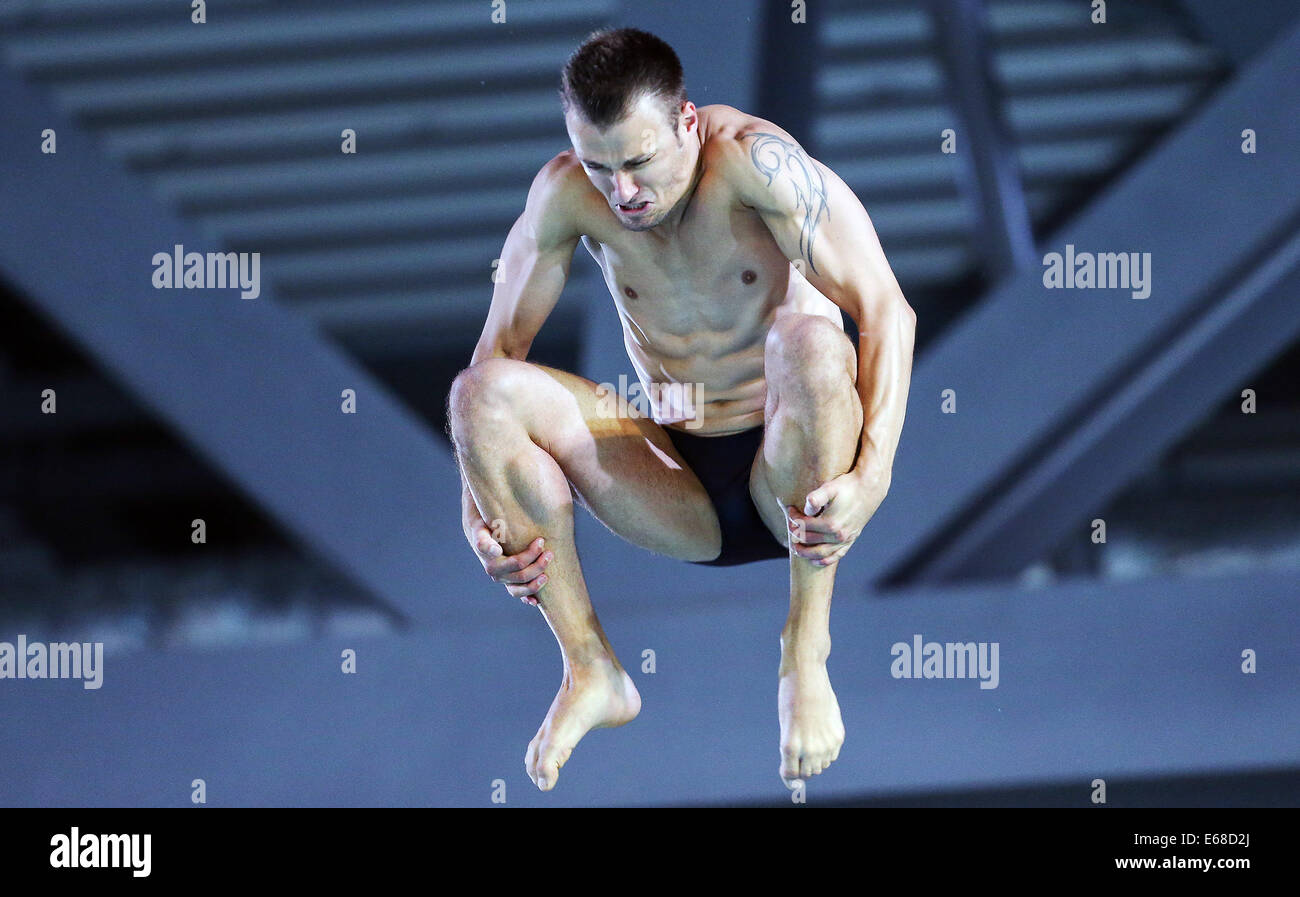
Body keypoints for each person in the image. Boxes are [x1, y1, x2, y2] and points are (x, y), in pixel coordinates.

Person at [447, 27, 915, 792]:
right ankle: (589, 665)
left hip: (793, 469)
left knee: (810, 338)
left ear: (687, 124)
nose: (621, 192)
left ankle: (805, 642)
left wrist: (875, 475)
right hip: (675, 483)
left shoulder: (757, 163)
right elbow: (498, 344)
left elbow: (888, 312)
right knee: (479, 393)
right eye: (601, 167)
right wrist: (475, 510)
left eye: (638, 162)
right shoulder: (567, 193)